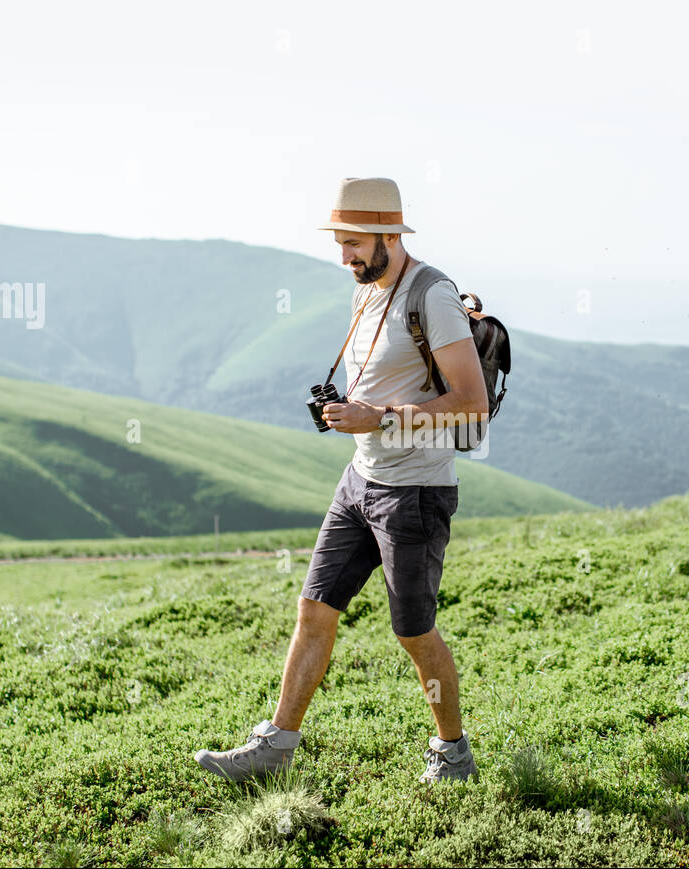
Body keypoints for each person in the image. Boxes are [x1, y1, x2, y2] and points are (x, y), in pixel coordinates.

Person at [194, 177, 490, 783]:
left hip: (415, 490)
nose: (345, 255)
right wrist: (349, 411)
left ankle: (453, 753)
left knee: (413, 629)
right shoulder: (367, 290)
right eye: (340, 243)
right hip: (360, 480)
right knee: (313, 608)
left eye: (353, 242)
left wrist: (376, 417)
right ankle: (275, 747)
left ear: (388, 234)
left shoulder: (431, 296)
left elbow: (471, 404)